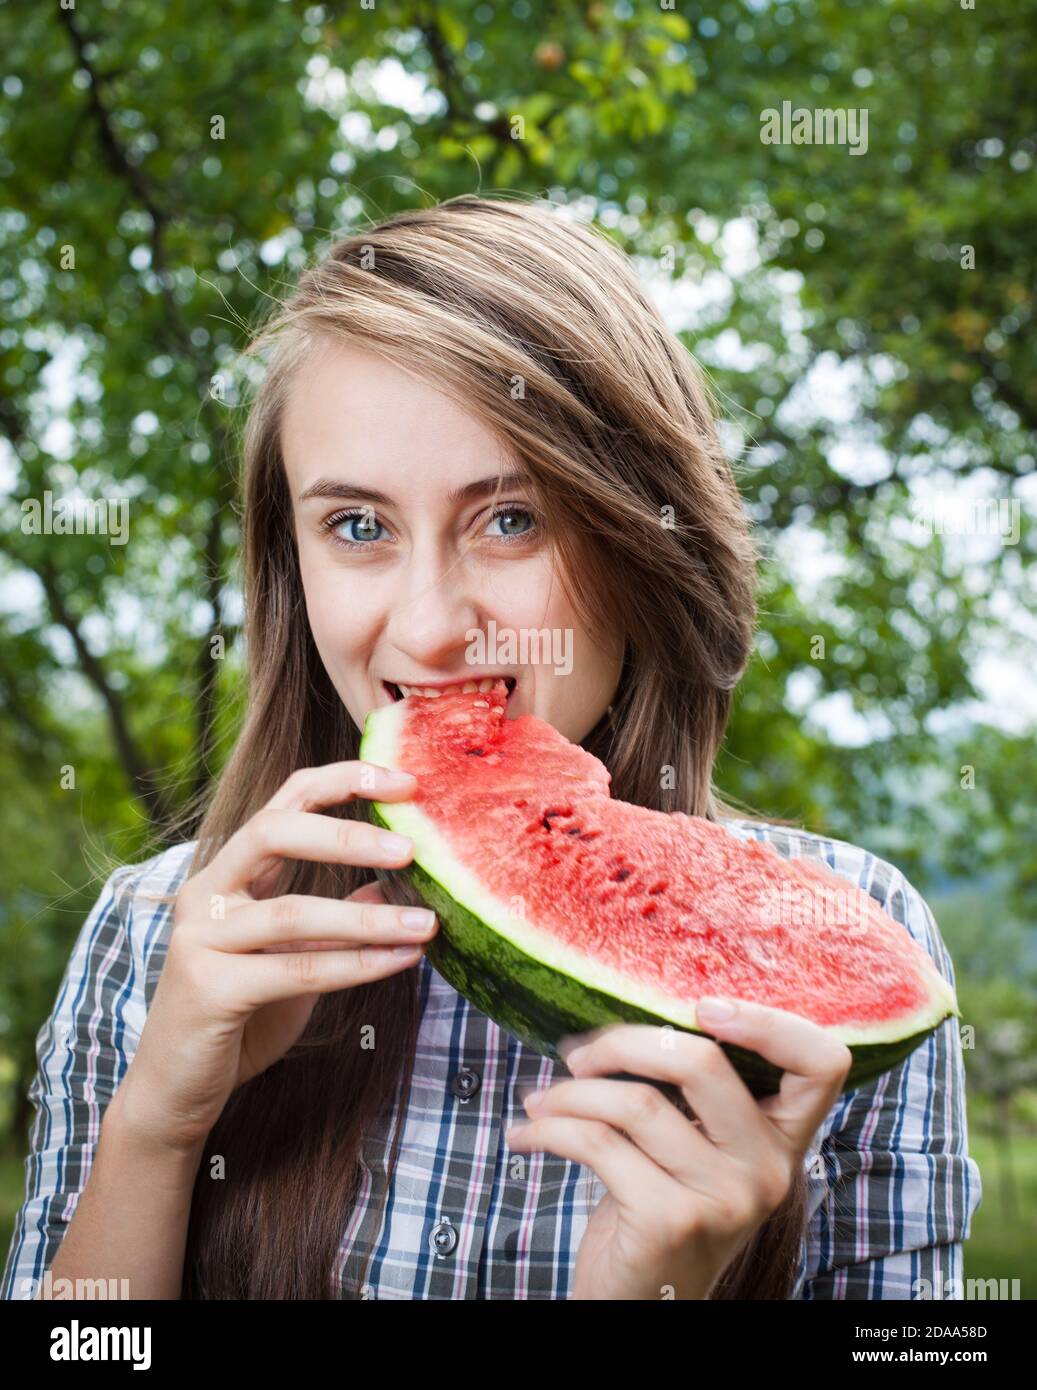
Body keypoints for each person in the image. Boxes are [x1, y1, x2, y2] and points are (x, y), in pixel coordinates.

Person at [2, 195, 980, 1300]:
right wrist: (153, 1130)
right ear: (293, 567)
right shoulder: (156, 938)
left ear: (637, 536)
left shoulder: (849, 947)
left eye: (508, 517)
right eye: (356, 526)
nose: (426, 626)